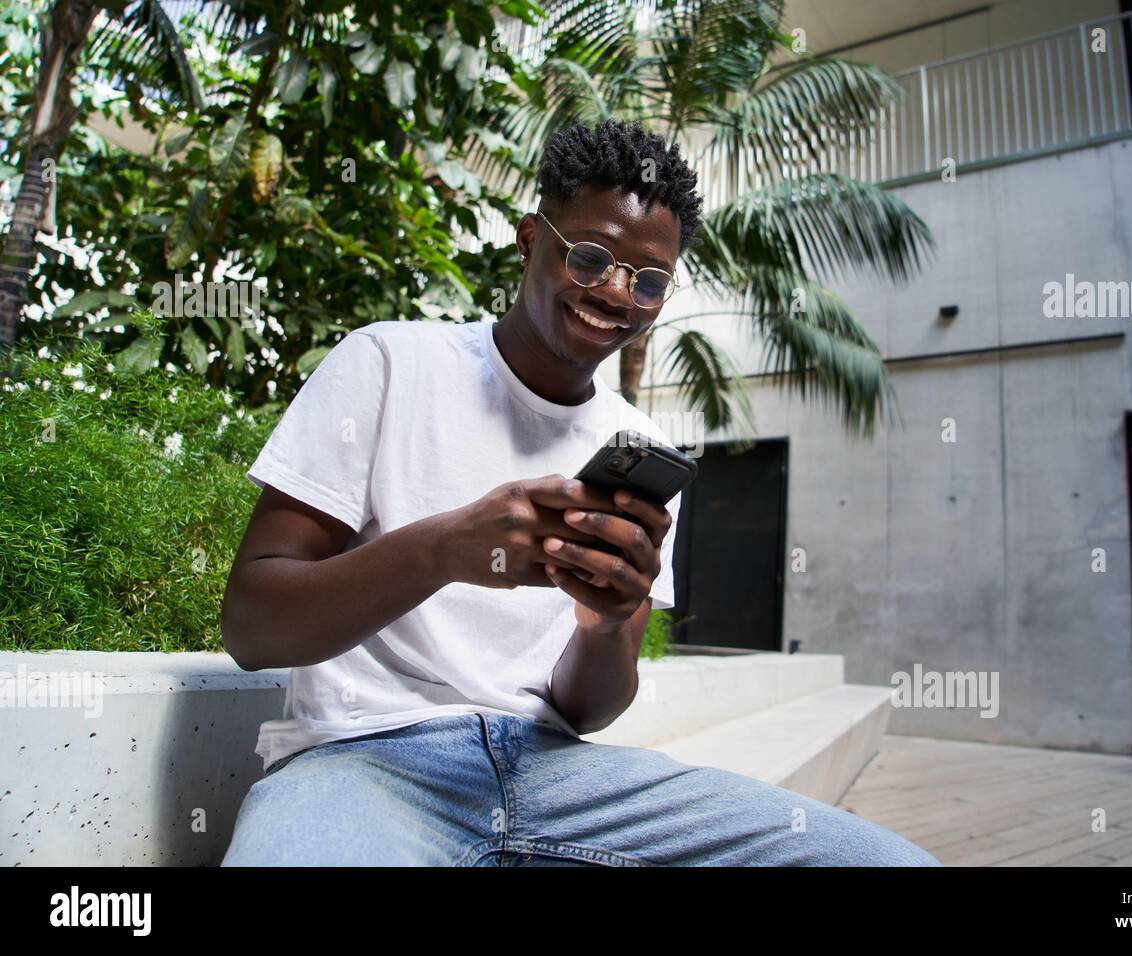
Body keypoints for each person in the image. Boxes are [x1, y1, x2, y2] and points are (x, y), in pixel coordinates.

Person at [219, 118, 940, 867]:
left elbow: (587, 711)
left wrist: (605, 623)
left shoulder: (639, 454)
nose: (618, 294)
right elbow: (253, 629)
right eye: (590, 258)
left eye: (650, 280)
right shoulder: (388, 363)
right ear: (531, 239)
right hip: (361, 762)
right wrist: (444, 549)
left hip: (558, 775)